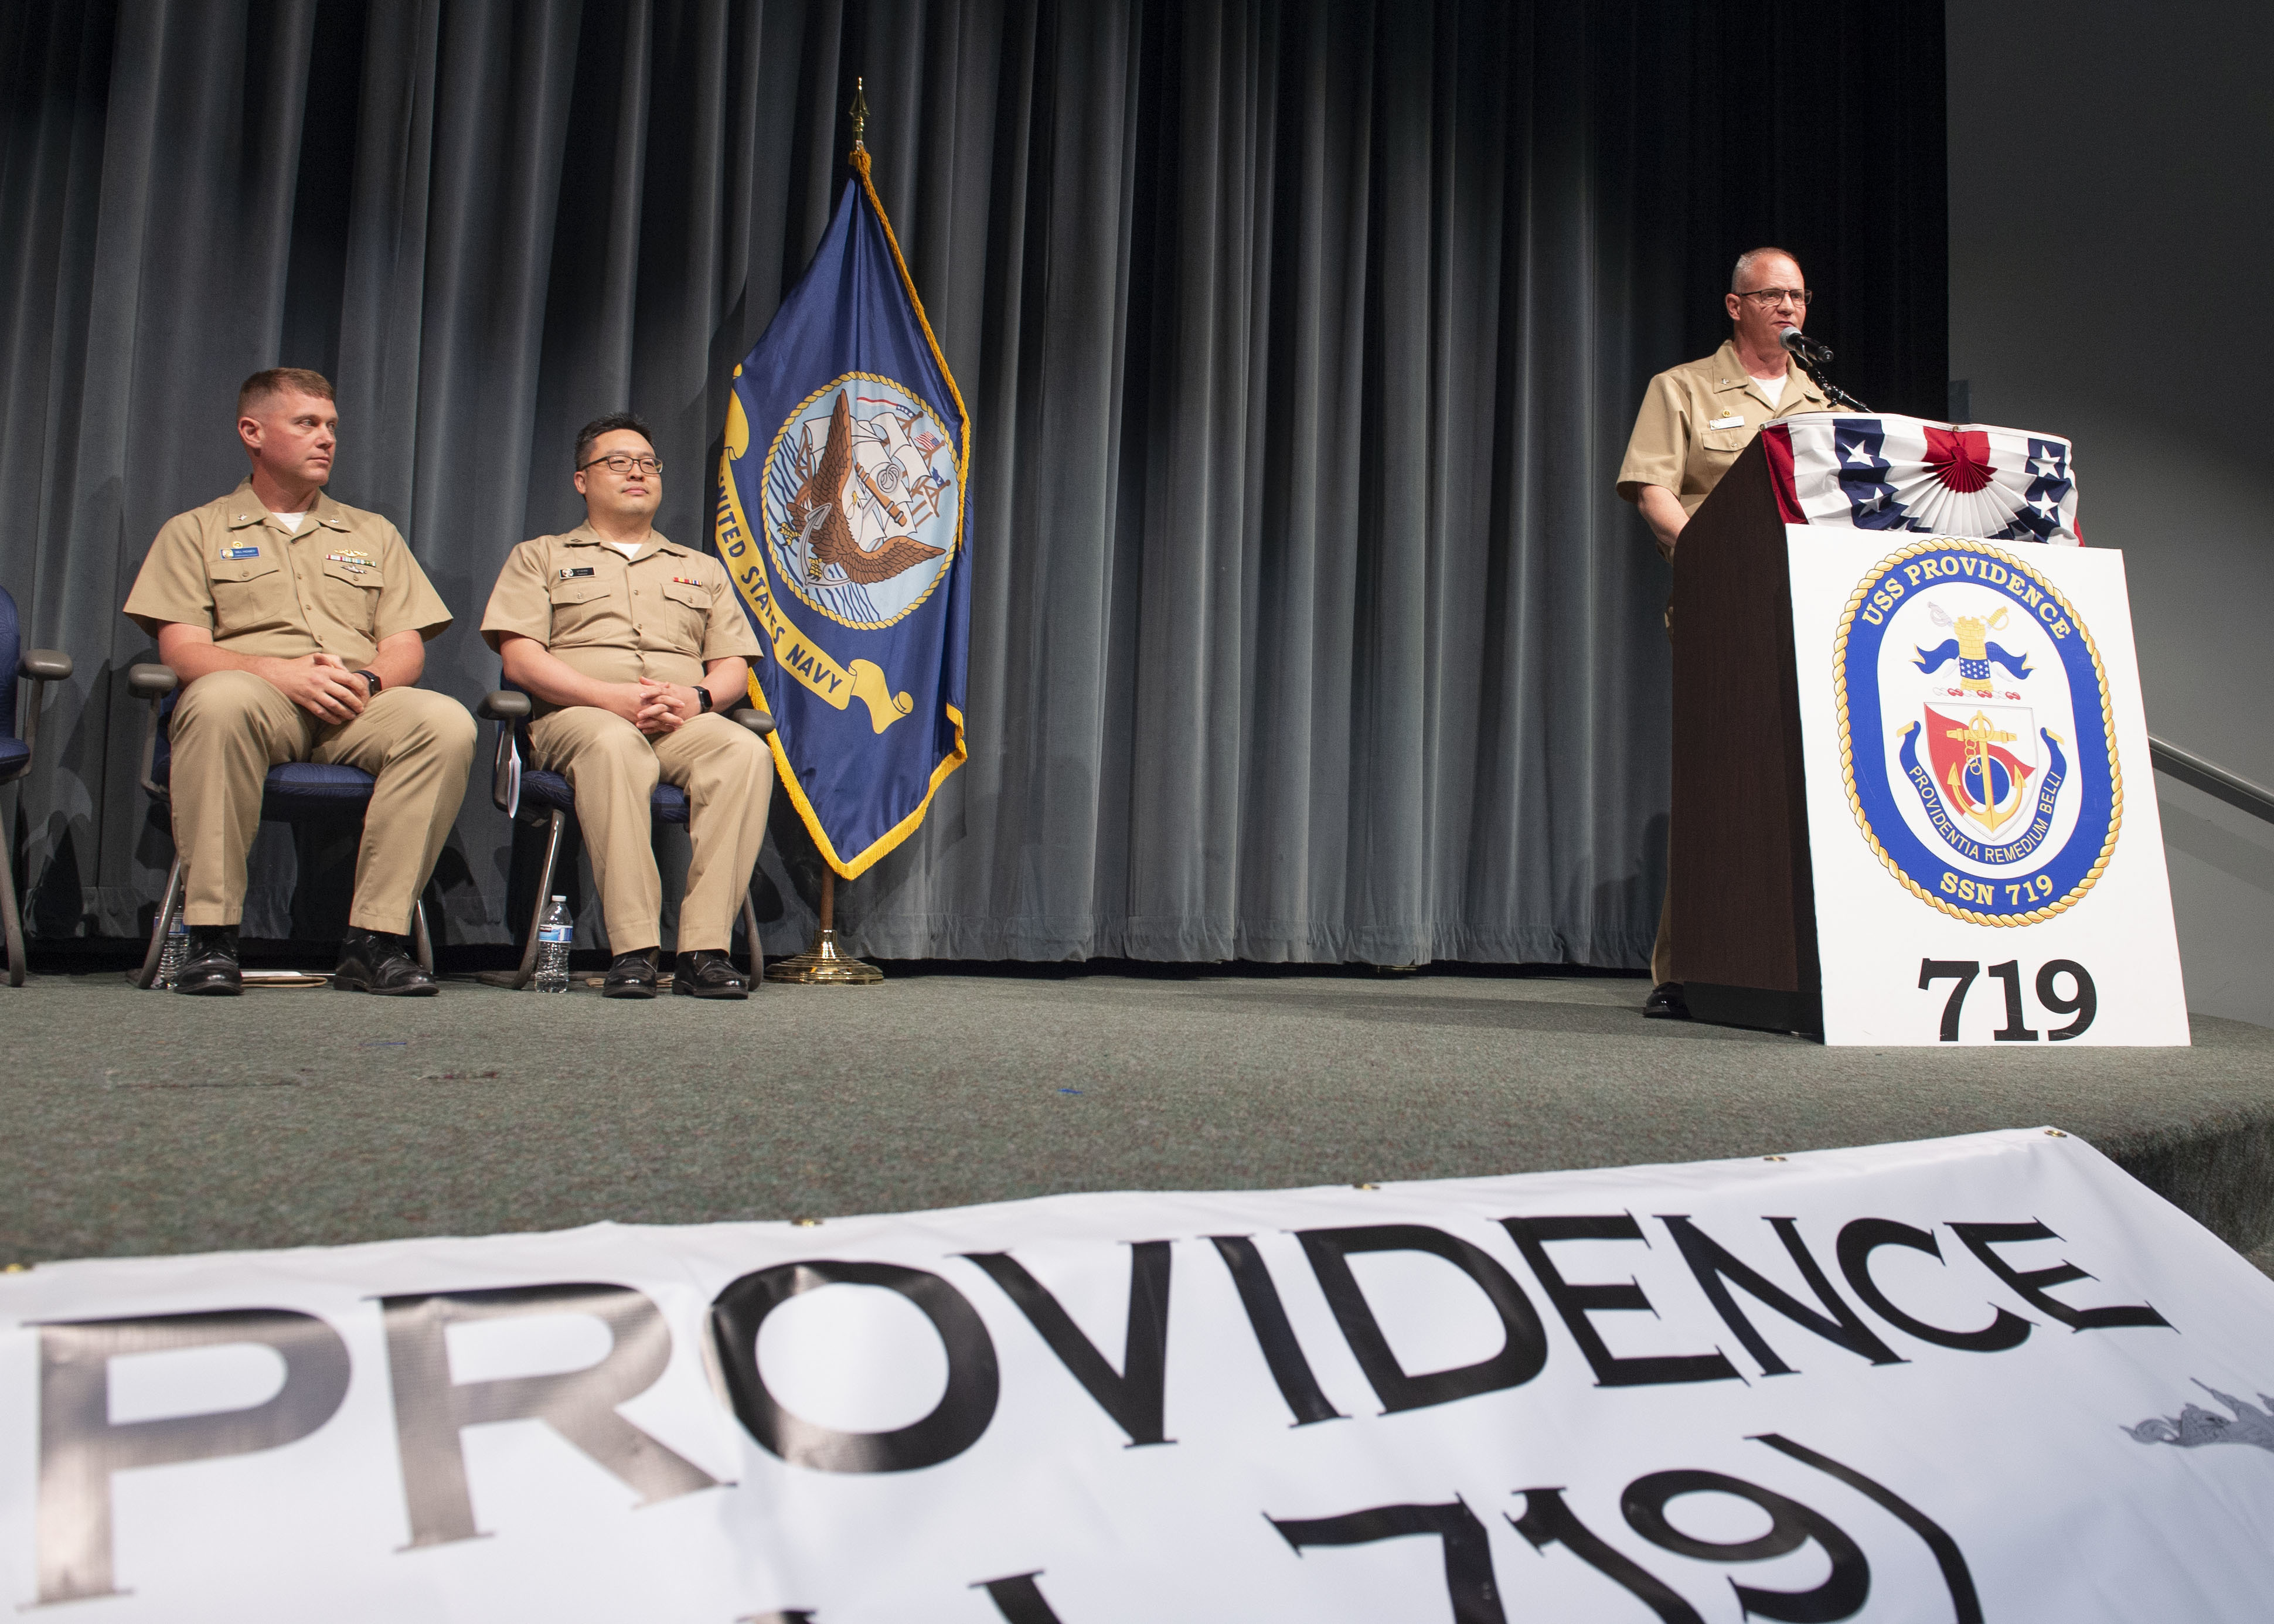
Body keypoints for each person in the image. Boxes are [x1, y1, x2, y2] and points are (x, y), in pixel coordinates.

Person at [123, 368, 476, 996]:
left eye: (332, 426)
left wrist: (365, 680)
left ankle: (375, 940)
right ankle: (211, 936)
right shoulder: (196, 530)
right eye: (307, 423)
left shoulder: (373, 534)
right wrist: (279, 674)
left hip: (353, 705)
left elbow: (404, 647)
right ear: (252, 432)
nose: (326, 439)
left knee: (444, 721)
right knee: (219, 699)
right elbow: (182, 651)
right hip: (256, 698)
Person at [1616, 247, 1846, 1020]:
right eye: (1772, 294)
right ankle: (1687, 969)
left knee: (1805, 791)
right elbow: (1653, 488)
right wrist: (1709, 564)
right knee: (1722, 786)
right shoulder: (1682, 388)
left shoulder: (1826, 406)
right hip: (1721, 612)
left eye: (1799, 296)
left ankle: (1803, 963)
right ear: (1735, 304)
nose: (1789, 307)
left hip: (1812, 612)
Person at [481, 413, 772, 999]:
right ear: (581, 480)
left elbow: (734, 666)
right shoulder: (540, 556)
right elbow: (521, 661)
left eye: (647, 463)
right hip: (578, 717)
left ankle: (704, 950)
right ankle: (634, 948)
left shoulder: (702, 569)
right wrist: (609, 697)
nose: (636, 472)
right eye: (617, 462)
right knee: (613, 745)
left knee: (744, 751)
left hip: (678, 719)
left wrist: (697, 698)